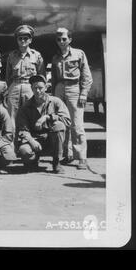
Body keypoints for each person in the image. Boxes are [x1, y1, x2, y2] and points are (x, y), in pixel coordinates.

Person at [51, 28, 93, 170]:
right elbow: (54, 80)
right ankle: (67, 155)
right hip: (59, 89)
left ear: (70, 39)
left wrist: (84, 93)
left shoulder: (79, 54)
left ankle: (82, 158)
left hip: (74, 89)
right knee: (63, 123)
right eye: (58, 39)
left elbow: (87, 76)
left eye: (64, 39)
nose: (61, 42)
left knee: (77, 124)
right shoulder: (55, 58)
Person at [16, 75, 71, 174]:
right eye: (35, 88)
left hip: (52, 140)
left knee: (59, 125)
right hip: (35, 140)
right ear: (31, 89)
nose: (37, 91)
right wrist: (31, 141)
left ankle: (56, 162)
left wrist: (48, 117)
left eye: (40, 88)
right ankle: (33, 161)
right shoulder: (25, 107)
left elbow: (67, 121)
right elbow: (22, 129)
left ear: (46, 87)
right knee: (24, 151)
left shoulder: (55, 102)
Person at [5, 25, 45, 129]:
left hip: (30, 87)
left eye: (26, 38)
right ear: (17, 40)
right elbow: (8, 76)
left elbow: (41, 76)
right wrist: (12, 87)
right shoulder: (12, 56)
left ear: (30, 40)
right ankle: (12, 143)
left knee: (31, 115)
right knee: (12, 116)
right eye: (20, 38)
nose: (23, 40)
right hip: (15, 86)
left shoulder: (36, 55)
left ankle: (29, 142)